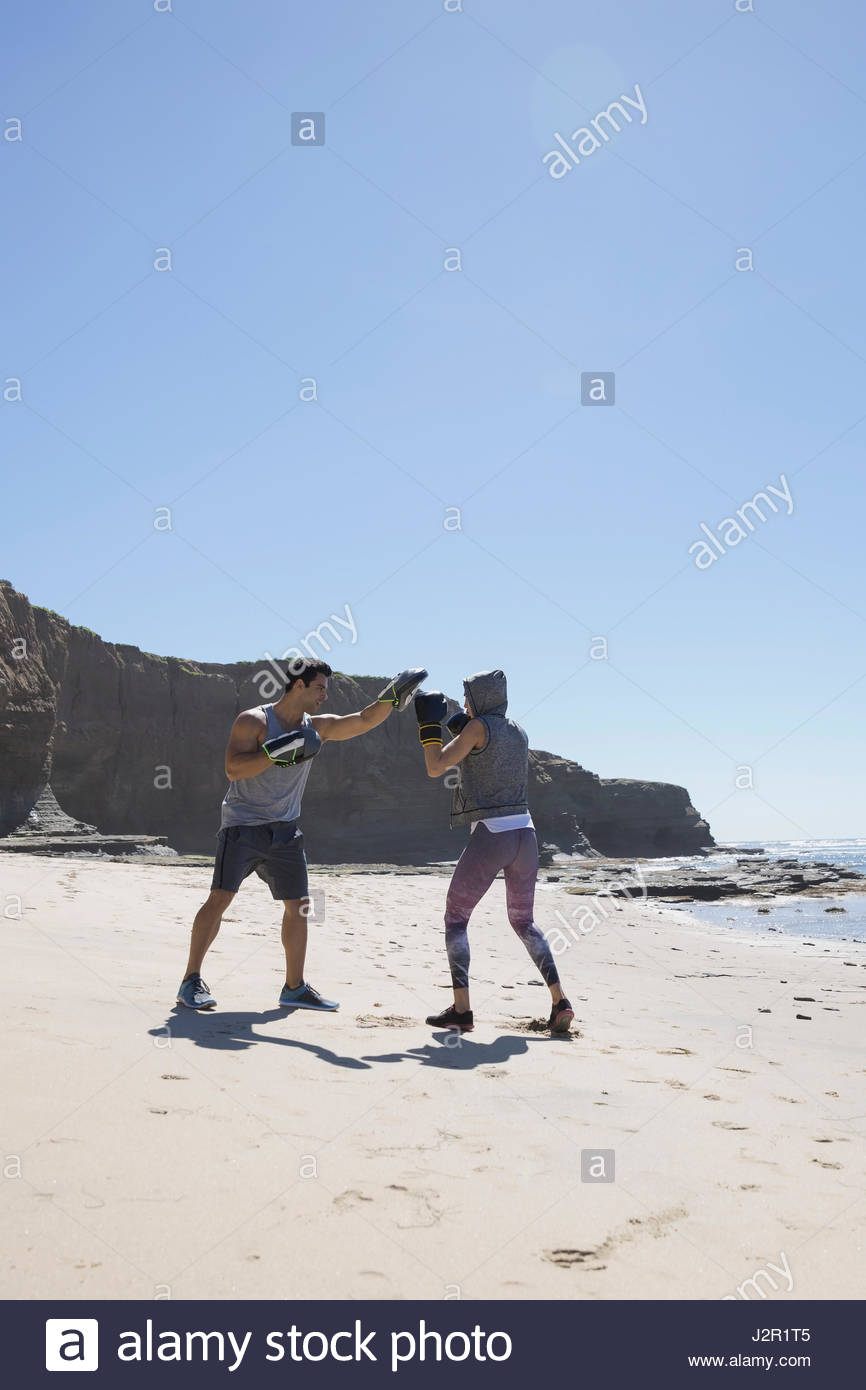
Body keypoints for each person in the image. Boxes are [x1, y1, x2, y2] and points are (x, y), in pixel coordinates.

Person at [176, 661, 426, 1012]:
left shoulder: (317, 728)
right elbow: (233, 769)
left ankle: (294, 988)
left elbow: (364, 720)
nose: (325, 695)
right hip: (243, 825)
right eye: (319, 688)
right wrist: (274, 752)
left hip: (286, 830)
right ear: (297, 686)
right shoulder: (254, 721)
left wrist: (391, 697)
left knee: (299, 907)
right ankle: (190, 981)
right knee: (220, 898)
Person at [414, 670, 573, 1034]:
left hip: (493, 835)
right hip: (526, 835)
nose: (466, 703)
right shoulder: (518, 730)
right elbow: (488, 758)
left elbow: (436, 765)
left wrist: (428, 728)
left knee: (455, 919)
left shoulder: (476, 728)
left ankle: (462, 1010)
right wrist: (464, 727)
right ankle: (560, 1000)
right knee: (524, 922)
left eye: (468, 696)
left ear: (481, 697)